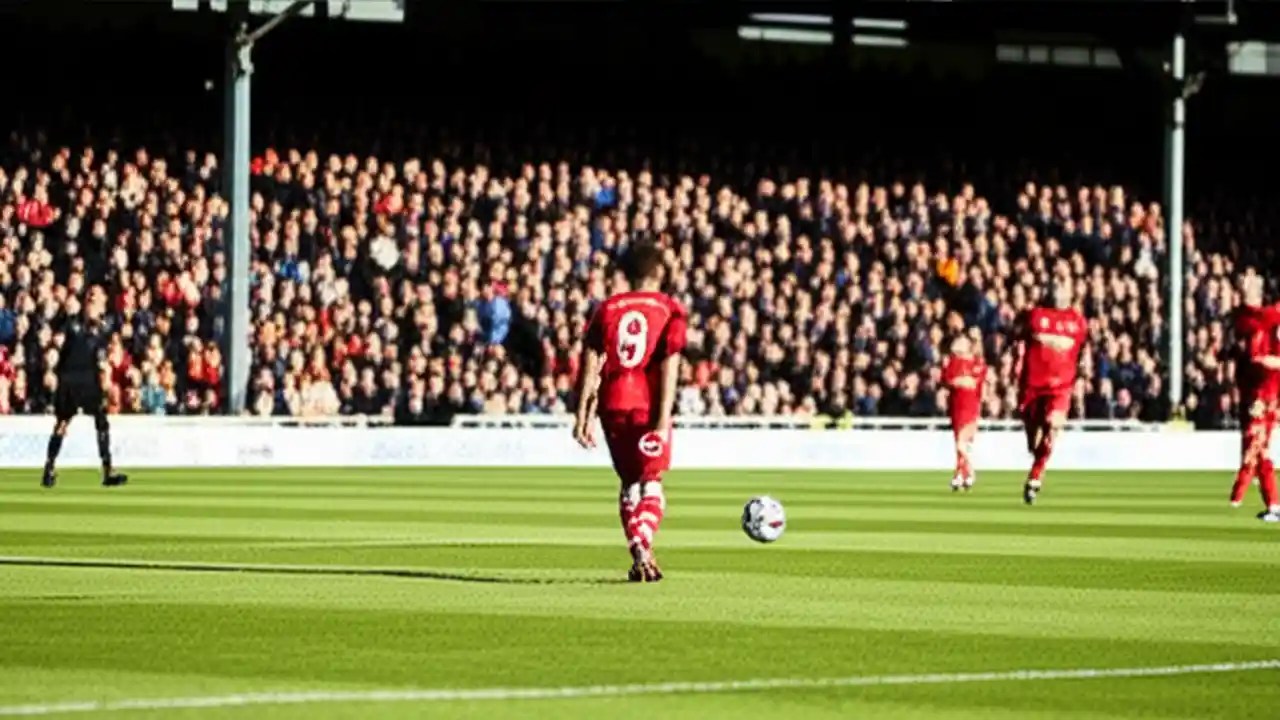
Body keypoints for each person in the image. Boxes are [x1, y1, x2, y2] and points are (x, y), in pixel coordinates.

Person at [573, 242, 687, 582]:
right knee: (652, 483)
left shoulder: (606, 308)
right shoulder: (670, 309)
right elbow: (669, 365)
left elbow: (591, 363)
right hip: (646, 405)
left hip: (611, 403)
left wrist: (582, 414)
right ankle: (640, 541)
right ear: (659, 272)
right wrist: (662, 418)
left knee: (629, 484)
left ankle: (642, 556)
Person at [42, 286, 128, 488]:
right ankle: (49, 467)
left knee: (101, 420)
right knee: (62, 423)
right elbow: (56, 343)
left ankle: (108, 470)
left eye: (96, 297)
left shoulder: (106, 327)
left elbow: (113, 351)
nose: (91, 300)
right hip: (70, 378)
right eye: (89, 296)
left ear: (103, 302)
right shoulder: (72, 323)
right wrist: (51, 363)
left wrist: (109, 365)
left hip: (90, 379)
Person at [1013, 278, 1086, 505]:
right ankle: (1037, 461)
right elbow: (1016, 335)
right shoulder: (1034, 315)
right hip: (1032, 387)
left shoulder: (1077, 321)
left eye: (1063, 285)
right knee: (1034, 443)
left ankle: (1036, 474)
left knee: (1053, 425)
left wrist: (1082, 374)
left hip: (1060, 388)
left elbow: (1081, 351)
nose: (1058, 289)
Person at [1229, 274, 1280, 521]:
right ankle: (1270, 503)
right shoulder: (1242, 319)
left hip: (1266, 394)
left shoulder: (1272, 319)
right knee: (1257, 448)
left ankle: (1239, 498)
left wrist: (1267, 361)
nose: (1242, 288)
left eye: (1247, 285)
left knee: (1257, 446)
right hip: (1249, 392)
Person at [942, 333, 985, 491]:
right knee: (960, 443)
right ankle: (961, 474)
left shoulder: (976, 362)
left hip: (970, 406)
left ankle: (969, 472)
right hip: (956, 406)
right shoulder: (951, 361)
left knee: (961, 442)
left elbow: (973, 382)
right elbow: (948, 380)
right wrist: (961, 381)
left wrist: (961, 381)